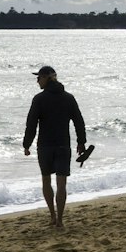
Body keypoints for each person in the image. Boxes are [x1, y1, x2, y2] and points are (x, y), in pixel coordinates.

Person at [23, 65, 87, 229]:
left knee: (46, 180)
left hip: (45, 146)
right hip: (63, 145)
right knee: (61, 183)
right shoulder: (68, 98)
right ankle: (59, 220)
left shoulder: (39, 99)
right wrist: (81, 142)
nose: (37, 81)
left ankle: (52, 216)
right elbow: (78, 121)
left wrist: (27, 144)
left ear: (46, 78)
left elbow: (31, 124)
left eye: (39, 78)